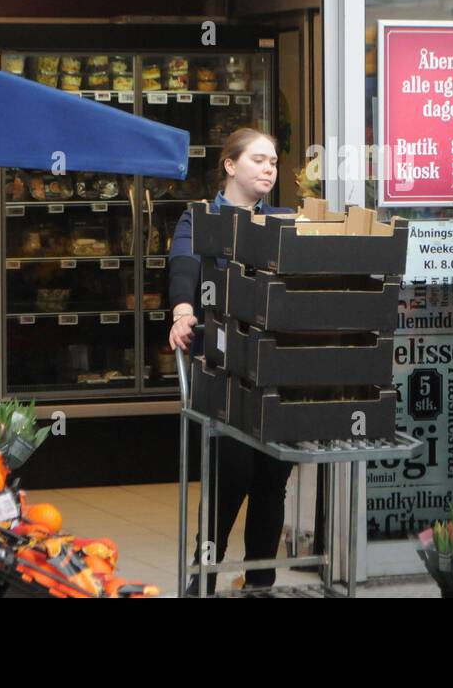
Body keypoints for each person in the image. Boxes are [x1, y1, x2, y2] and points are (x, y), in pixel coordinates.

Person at [168, 127, 295, 595]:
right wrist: (184, 310)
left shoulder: (281, 220)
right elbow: (184, 263)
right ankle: (202, 577)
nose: (268, 169)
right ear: (230, 165)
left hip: (273, 366)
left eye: (274, 162)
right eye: (259, 160)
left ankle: (260, 582)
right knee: (232, 472)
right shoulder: (200, 218)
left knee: (273, 473)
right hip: (223, 366)